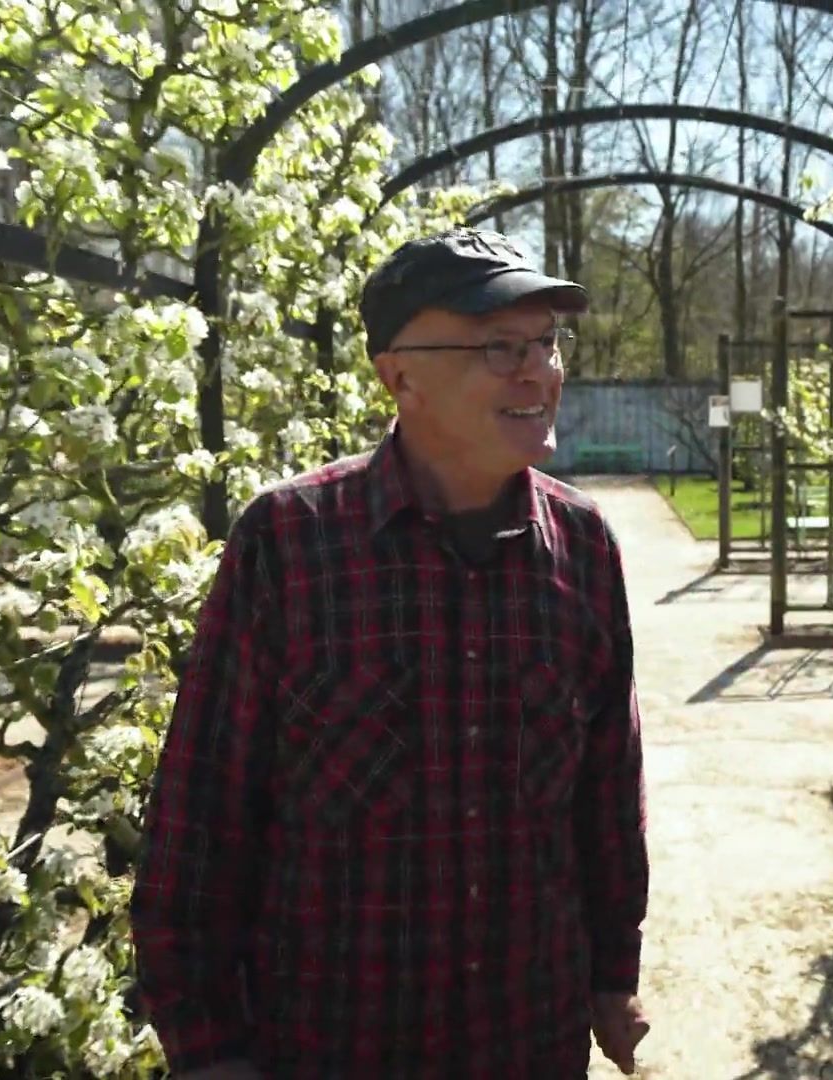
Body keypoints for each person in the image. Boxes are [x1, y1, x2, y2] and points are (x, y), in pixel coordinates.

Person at [132, 228, 650, 1079]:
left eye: (546, 345)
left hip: (530, 1041)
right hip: (334, 1043)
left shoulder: (585, 547)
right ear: (398, 372)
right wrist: (208, 1048)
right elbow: (201, 819)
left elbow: (605, 795)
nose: (538, 372)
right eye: (498, 347)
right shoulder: (290, 544)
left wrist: (610, 977)